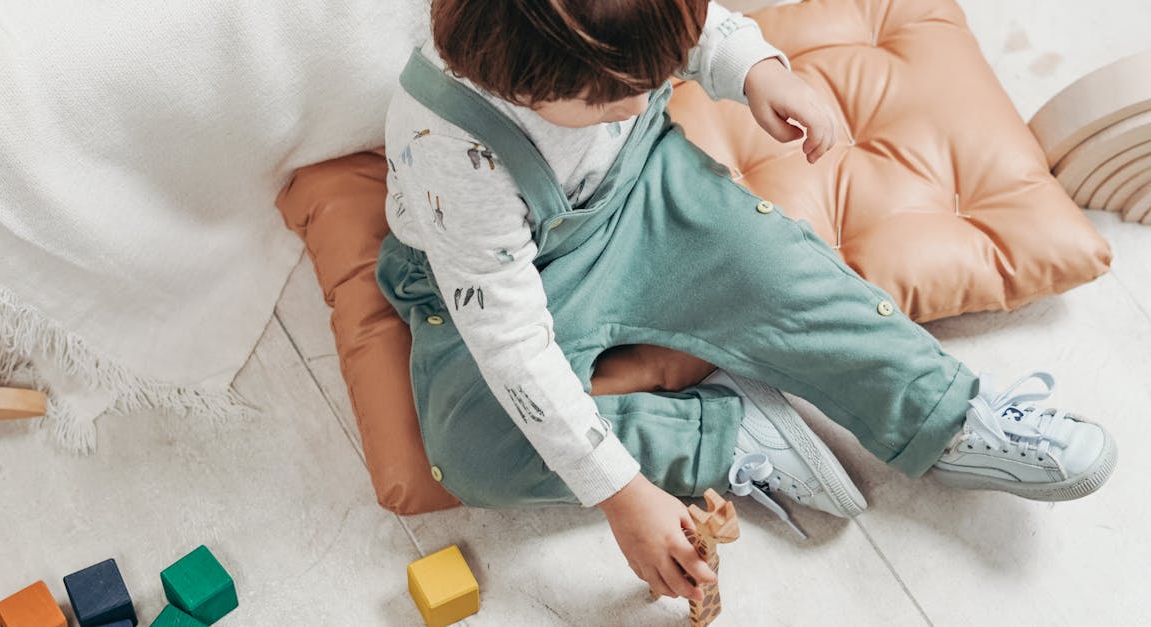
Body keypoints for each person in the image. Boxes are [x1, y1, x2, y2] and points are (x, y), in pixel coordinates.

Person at [376, 0, 1117, 604]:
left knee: (788, 276)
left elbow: (693, 31)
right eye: (616, 96)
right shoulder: (449, 145)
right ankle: (721, 434)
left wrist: (755, 70)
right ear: (525, 86)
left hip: (647, 196)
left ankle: (943, 413)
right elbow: (512, 345)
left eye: (659, 73)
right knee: (469, 446)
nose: (649, 96)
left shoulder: (625, 39)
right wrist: (621, 495)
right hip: (501, 281)